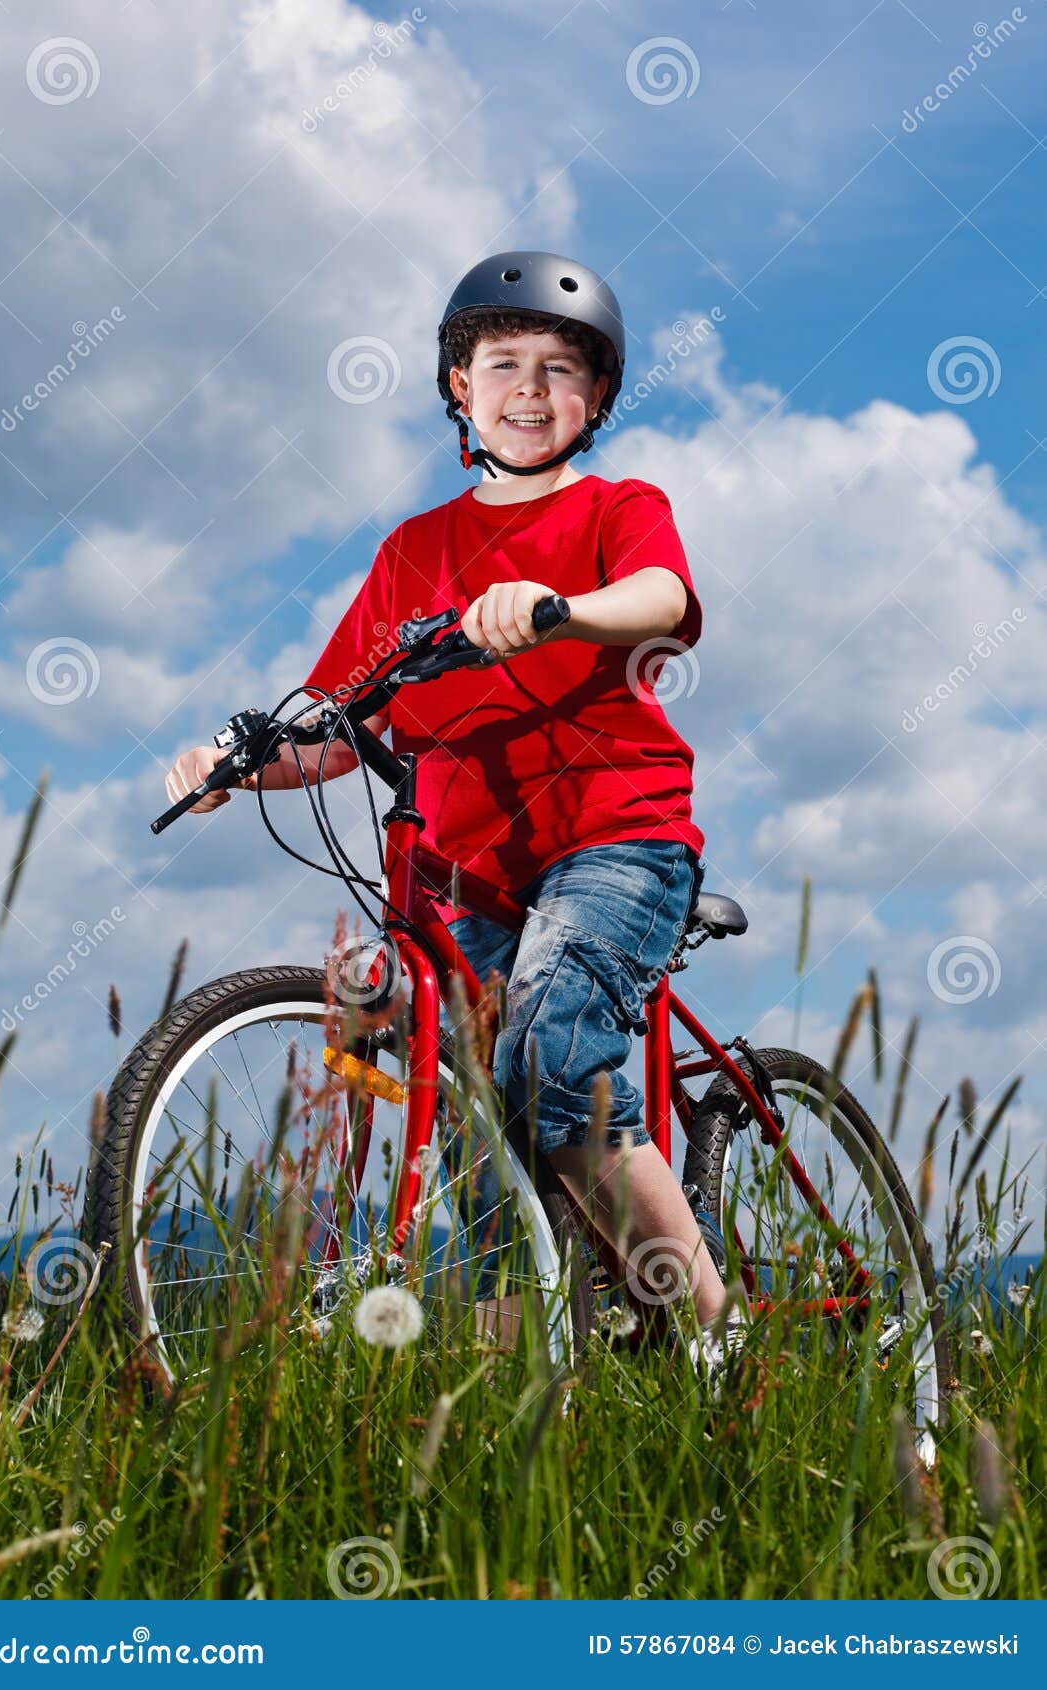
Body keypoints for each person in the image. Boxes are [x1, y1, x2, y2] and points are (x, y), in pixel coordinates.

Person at [165, 250, 739, 1368]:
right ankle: (522, 1412)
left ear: (596, 399)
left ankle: (723, 1348)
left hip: (613, 836)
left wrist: (558, 608)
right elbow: (338, 722)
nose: (529, 388)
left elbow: (660, 595)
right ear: (456, 389)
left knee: (550, 1059)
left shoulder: (618, 508)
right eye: (503, 363)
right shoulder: (413, 553)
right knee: (480, 1140)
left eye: (560, 369)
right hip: (465, 874)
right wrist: (232, 766)